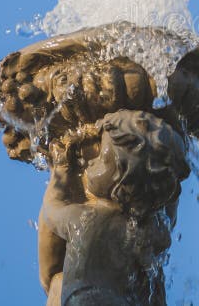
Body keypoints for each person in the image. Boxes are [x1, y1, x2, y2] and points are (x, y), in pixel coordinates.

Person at [38, 110, 190, 306]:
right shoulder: (150, 231)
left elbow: (52, 209)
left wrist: (60, 168)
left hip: (88, 300)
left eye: (101, 158)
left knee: (57, 283)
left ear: (122, 181)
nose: (92, 160)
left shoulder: (87, 217)